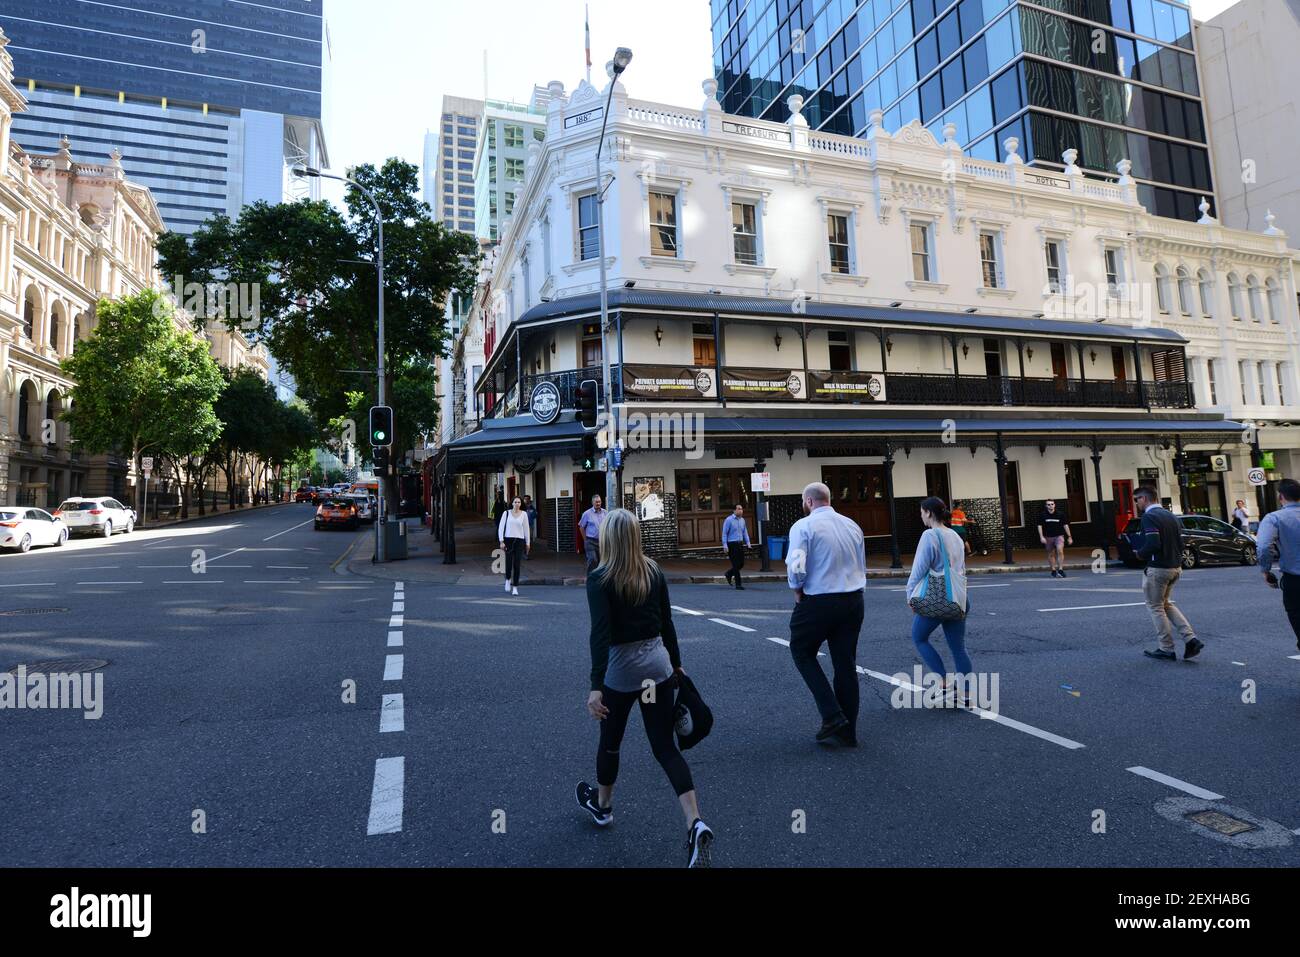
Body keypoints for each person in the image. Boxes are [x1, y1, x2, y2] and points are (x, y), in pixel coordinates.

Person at [575, 508, 713, 867]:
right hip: (657, 667)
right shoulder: (653, 570)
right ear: (636, 537)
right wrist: (677, 663)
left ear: (607, 539)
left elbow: (600, 634)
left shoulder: (600, 577)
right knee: (666, 748)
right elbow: (667, 621)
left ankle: (603, 807)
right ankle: (694, 822)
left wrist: (595, 686)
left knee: (611, 743)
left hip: (621, 672)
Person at [785, 482, 867, 747]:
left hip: (819, 600)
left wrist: (797, 589)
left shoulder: (804, 526)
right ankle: (848, 731)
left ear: (809, 501)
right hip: (854, 599)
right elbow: (860, 563)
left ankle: (831, 714)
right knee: (845, 663)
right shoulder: (852, 525)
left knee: (801, 650)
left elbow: (796, 563)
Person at [907, 498, 973, 703]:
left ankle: (944, 685)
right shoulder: (954, 535)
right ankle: (966, 695)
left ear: (928, 512)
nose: (921, 516)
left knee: (919, 637)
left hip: (937, 598)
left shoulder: (929, 535)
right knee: (959, 648)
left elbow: (918, 570)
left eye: (921, 512)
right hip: (958, 598)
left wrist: (910, 596)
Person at [1133, 486, 1203, 661]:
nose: (1136, 504)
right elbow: (1181, 542)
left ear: (1144, 498)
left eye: (1136, 500)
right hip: (1175, 567)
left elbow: (1153, 543)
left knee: (1155, 607)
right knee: (1166, 604)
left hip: (1158, 568)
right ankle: (1190, 638)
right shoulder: (1171, 516)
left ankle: (1166, 648)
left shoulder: (1149, 517)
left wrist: (1140, 554)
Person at [1256, 478, 1300, 648]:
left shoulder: (1274, 518)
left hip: (1295, 580)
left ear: (1281, 496)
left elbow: (1264, 546)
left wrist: (1266, 570)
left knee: (1297, 616)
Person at [497, 496, 530, 596]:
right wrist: (501, 541)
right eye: (515, 502)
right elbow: (501, 528)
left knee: (517, 565)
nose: (517, 504)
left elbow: (526, 529)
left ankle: (515, 587)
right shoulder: (506, 513)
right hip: (508, 540)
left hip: (519, 541)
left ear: (521, 504)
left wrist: (528, 543)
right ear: (512, 503)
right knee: (508, 562)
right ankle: (507, 579)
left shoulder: (524, 514)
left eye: (519, 502)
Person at [1038, 499, 1073, 578]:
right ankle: (1053, 570)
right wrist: (1041, 537)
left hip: (1059, 536)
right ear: (1046, 506)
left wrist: (1069, 537)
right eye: (1048, 504)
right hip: (1048, 537)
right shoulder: (1042, 515)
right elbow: (1039, 526)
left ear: (1054, 505)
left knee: (1060, 551)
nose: (1050, 506)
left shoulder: (1060, 514)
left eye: (1052, 504)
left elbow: (1065, 525)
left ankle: (1060, 570)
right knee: (1051, 554)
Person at [721, 503, 751, 589]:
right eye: (739, 509)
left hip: (740, 544)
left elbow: (745, 532)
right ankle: (738, 584)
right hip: (732, 544)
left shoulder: (742, 520)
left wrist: (748, 543)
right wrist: (725, 545)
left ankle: (729, 573)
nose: (741, 510)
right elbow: (724, 533)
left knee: (741, 564)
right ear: (734, 510)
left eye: (741, 509)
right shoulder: (728, 520)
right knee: (735, 565)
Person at [578, 494, 607, 574]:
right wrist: (585, 540)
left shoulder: (605, 513)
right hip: (590, 541)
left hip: (602, 541)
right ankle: (591, 578)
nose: (598, 503)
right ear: (592, 502)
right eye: (596, 502)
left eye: (599, 502)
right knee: (593, 560)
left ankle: (599, 579)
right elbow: (581, 527)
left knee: (602, 561)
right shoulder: (587, 514)